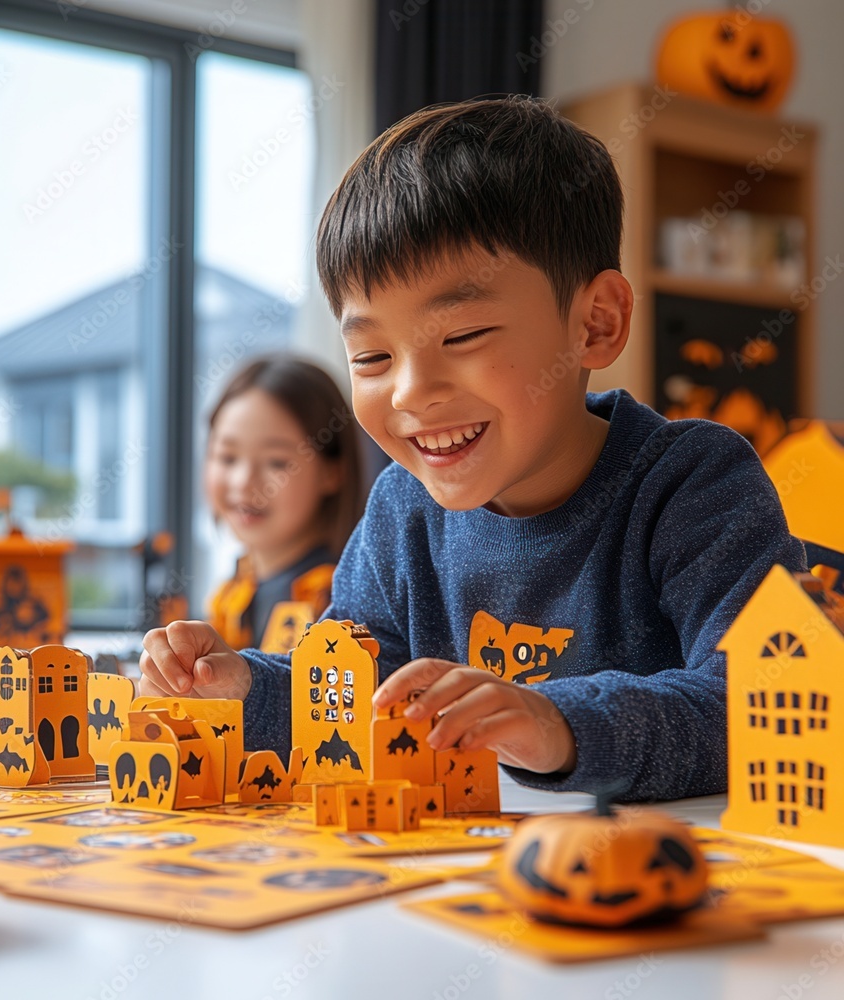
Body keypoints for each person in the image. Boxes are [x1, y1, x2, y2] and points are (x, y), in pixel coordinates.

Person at [139, 96, 805, 802]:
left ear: (595, 324)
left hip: (661, 862)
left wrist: (556, 724)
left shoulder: (692, 484)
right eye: (371, 358)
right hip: (457, 863)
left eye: (462, 337)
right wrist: (239, 686)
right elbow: (343, 699)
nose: (411, 392)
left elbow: (764, 703)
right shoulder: (401, 512)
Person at [194, 357, 363, 653]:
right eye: (227, 457)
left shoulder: (343, 602)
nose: (243, 482)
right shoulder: (232, 593)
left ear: (332, 472)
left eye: (276, 462)